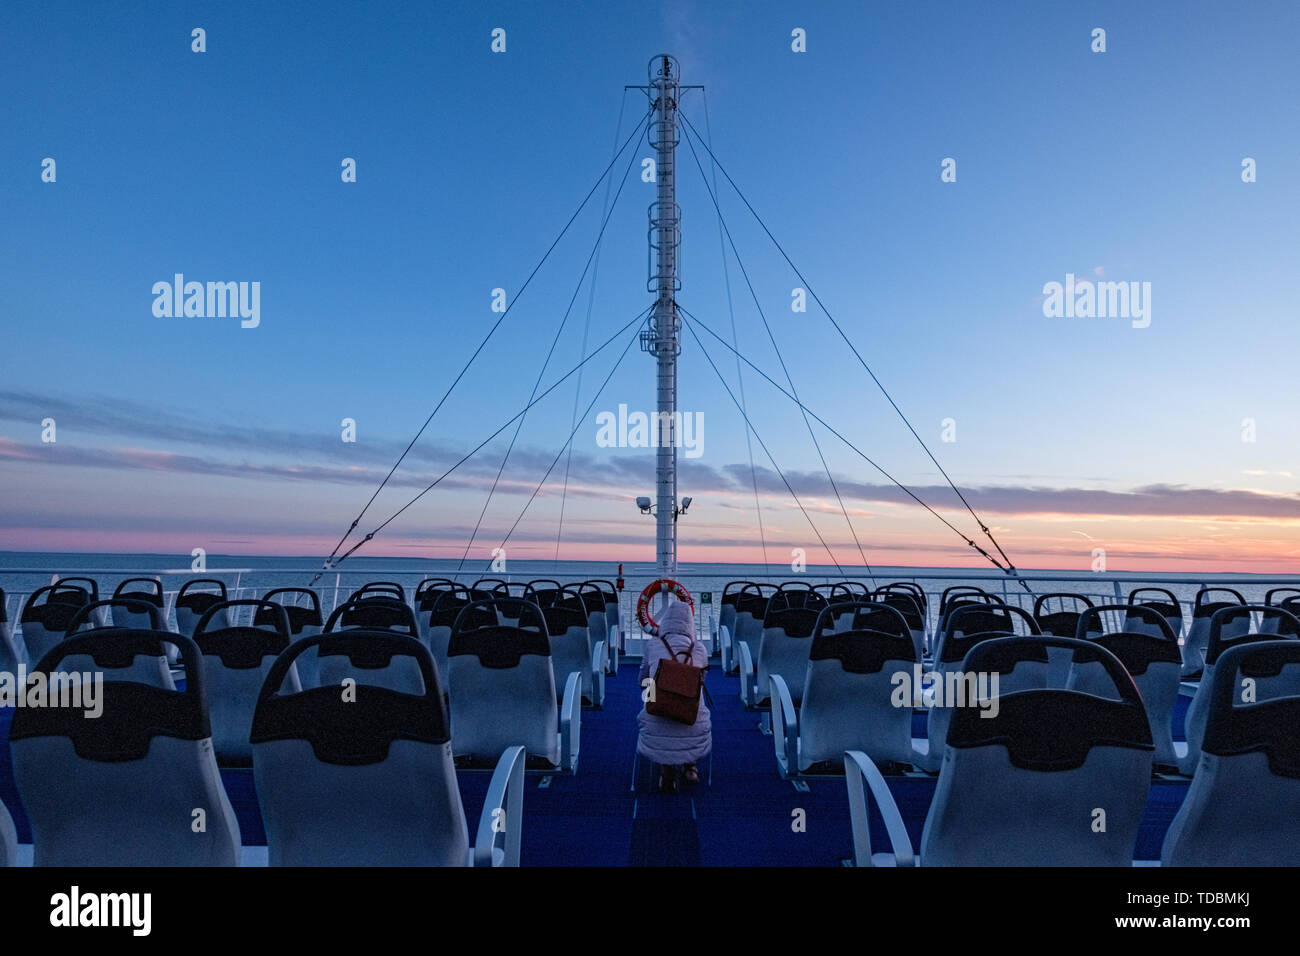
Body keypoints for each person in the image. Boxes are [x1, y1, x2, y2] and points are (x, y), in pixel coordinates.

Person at [637, 600, 711, 792]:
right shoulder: (700, 650)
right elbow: (702, 681)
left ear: (666, 621)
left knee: (654, 706)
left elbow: (642, 680)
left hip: (656, 718)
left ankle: (666, 771)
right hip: (693, 722)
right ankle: (690, 767)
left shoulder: (653, 645)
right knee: (695, 708)